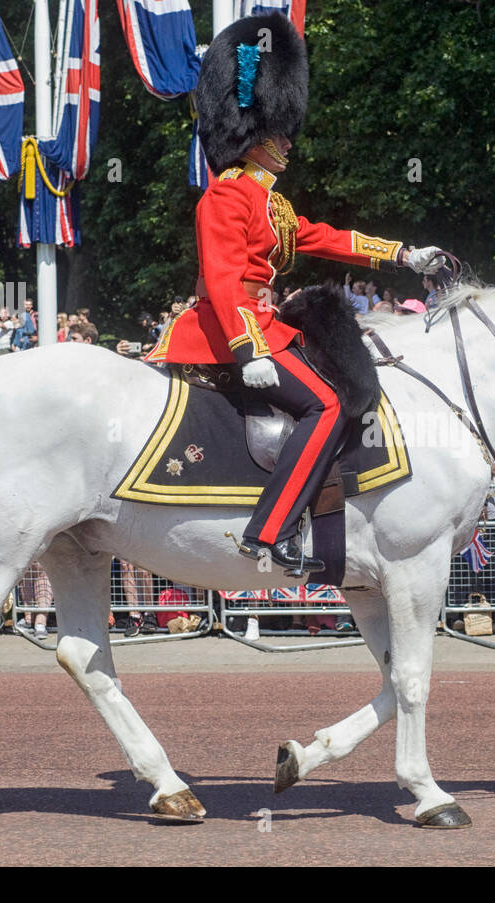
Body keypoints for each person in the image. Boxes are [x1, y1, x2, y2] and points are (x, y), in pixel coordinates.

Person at [143, 13, 447, 573]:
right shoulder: (224, 197)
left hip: (265, 325)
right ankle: (270, 532)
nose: (287, 142)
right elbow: (226, 278)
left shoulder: (270, 204)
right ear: (250, 136)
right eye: (277, 133)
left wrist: (403, 254)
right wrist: (248, 347)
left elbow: (326, 237)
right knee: (327, 403)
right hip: (227, 330)